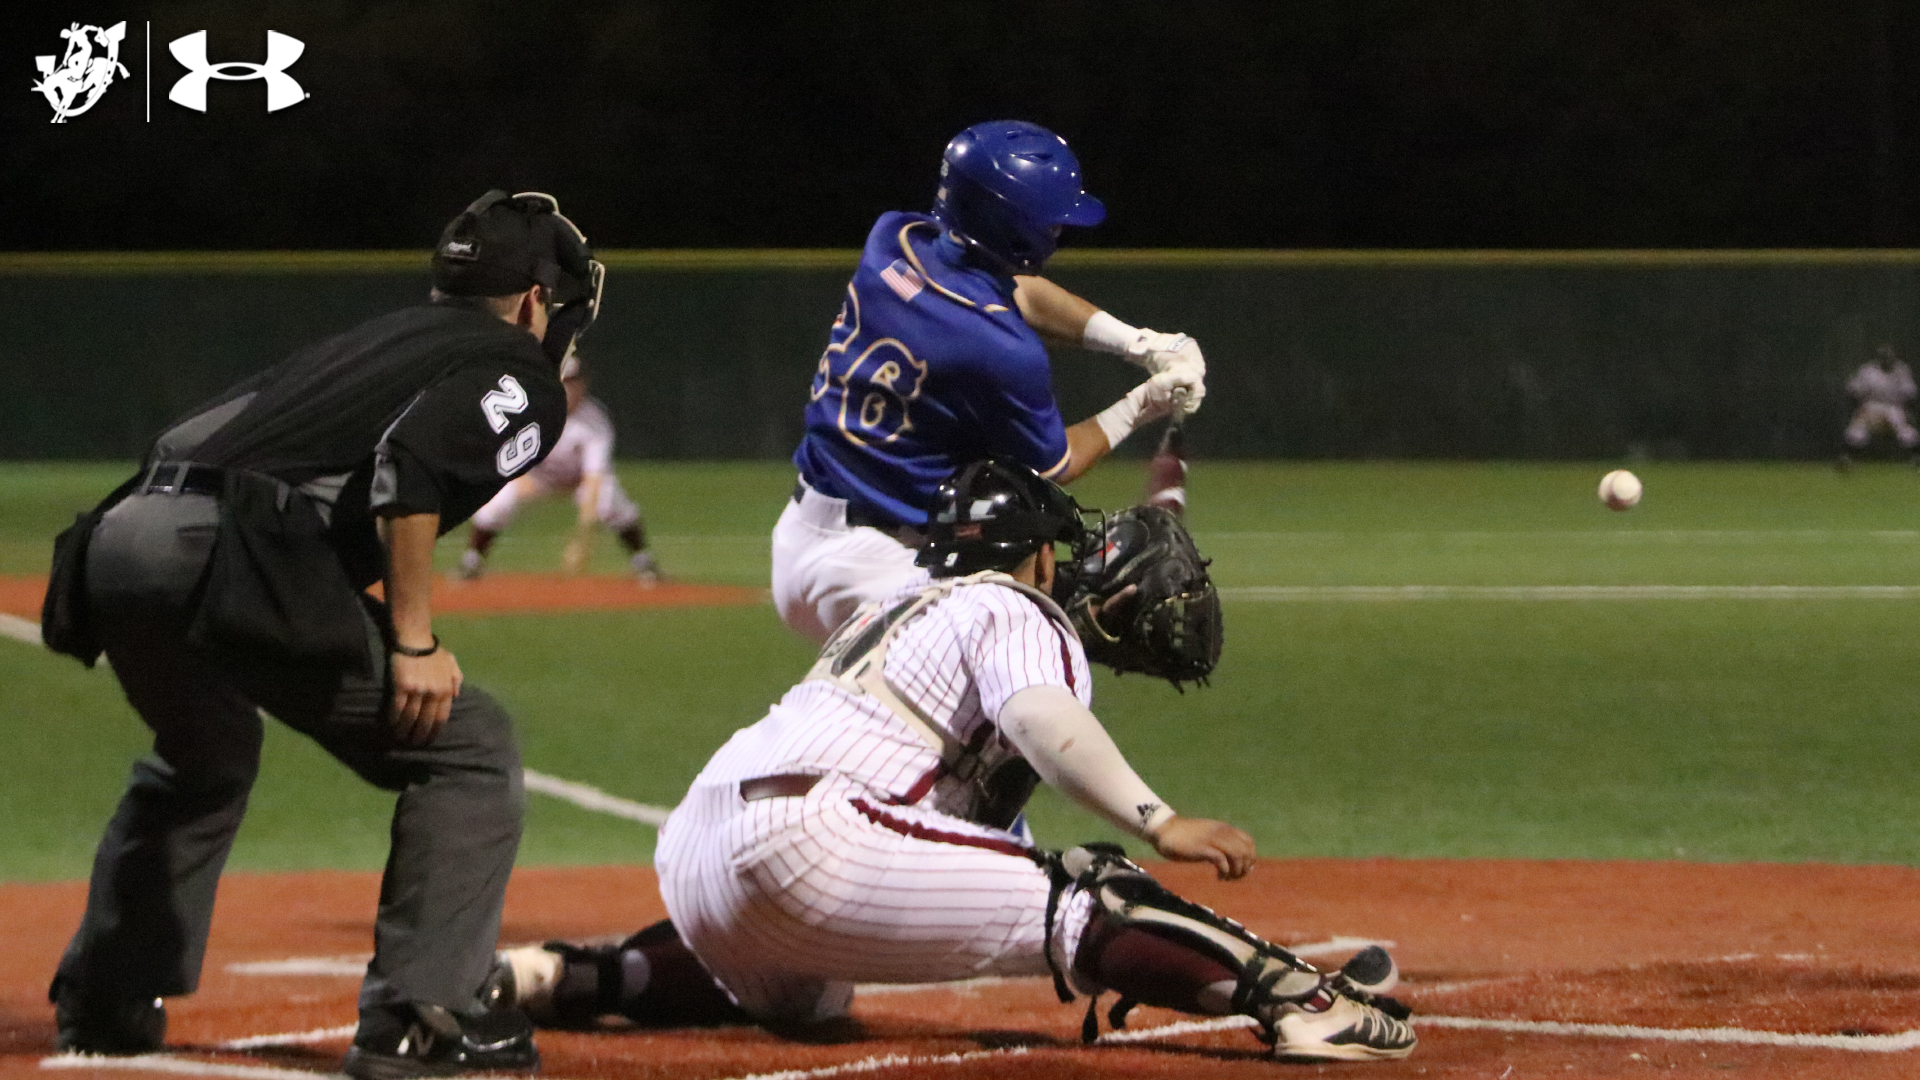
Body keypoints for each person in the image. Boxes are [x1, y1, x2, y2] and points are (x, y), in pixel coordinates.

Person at [490, 460, 1416, 1063]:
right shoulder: (1013, 608)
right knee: (1090, 892)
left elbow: (978, 795)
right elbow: (1045, 720)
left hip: (701, 852)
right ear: (1036, 559)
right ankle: (1297, 998)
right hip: (823, 834)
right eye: (1062, 546)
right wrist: (1158, 820)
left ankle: (570, 976)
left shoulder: (896, 609)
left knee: (810, 995)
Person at [38, 190, 606, 1079]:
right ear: (537, 300)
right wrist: (412, 642)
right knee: (467, 744)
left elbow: (210, 434)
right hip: (222, 549)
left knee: (208, 749)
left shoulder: (378, 339)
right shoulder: (518, 370)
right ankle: (420, 1018)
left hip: (116, 536)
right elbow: (411, 466)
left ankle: (106, 995)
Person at [773, 119, 1211, 642]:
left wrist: (1139, 342)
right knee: (1024, 685)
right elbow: (1056, 463)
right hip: (879, 569)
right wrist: (1143, 404)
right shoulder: (997, 349)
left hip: (806, 530)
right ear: (1014, 229)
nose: (1059, 232)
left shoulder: (895, 237)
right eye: (1049, 223)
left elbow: (1019, 291)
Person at [459, 352, 660, 583]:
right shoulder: (533, 411)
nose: (570, 388)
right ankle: (471, 561)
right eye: (565, 381)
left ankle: (643, 561)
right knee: (496, 502)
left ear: (584, 384)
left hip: (580, 481)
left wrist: (582, 540)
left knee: (609, 500)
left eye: (575, 382)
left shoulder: (594, 421)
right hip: (539, 479)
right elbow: (507, 452)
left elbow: (594, 479)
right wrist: (518, 477)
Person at [1840, 344, 1919, 467]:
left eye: (1889, 357)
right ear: (1879, 359)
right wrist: (1857, 401)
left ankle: (1916, 458)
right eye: (1884, 357)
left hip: (1893, 406)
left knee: (1905, 428)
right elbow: (1855, 391)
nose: (1887, 360)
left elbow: (1910, 393)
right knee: (1857, 427)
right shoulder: (1868, 371)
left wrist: (1907, 412)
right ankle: (1847, 458)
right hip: (1872, 405)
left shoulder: (1902, 370)